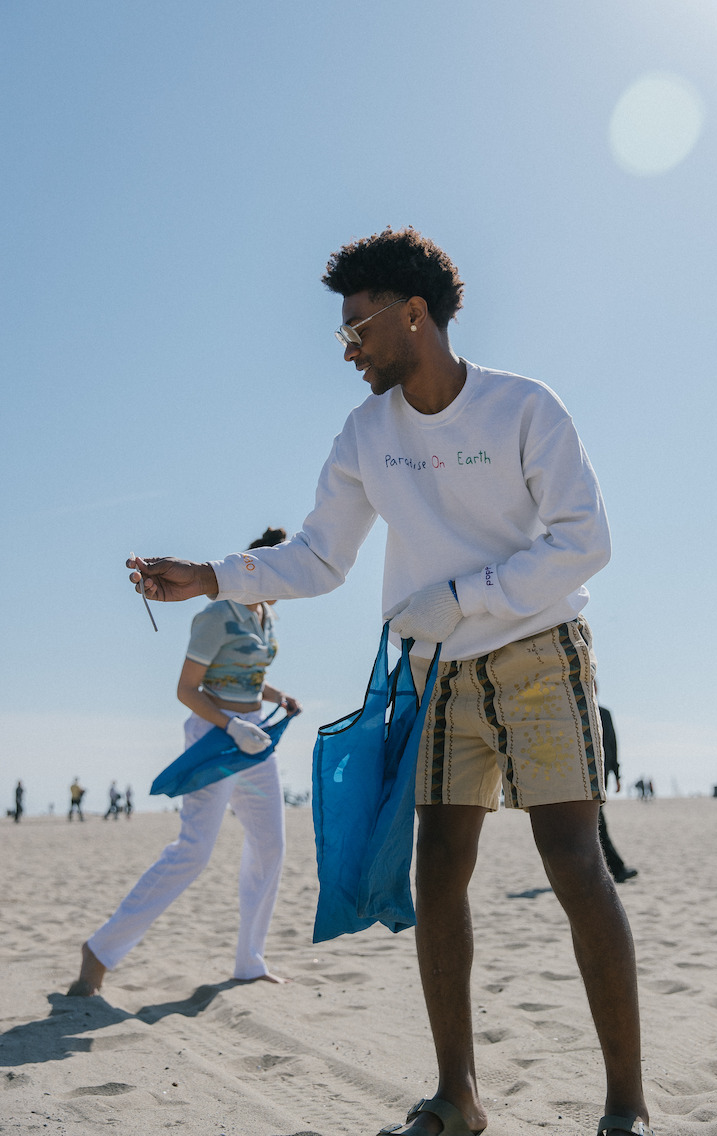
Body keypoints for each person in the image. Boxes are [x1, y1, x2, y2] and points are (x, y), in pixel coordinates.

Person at [127, 230, 651, 1136]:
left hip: (539, 652)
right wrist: (213, 577)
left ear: (416, 314)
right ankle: (459, 1096)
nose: (349, 348)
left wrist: (467, 598)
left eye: (357, 326)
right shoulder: (367, 433)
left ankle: (626, 1107)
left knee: (573, 862)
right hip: (434, 674)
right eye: (343, 334)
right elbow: (320, 556)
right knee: (438, 872)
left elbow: (583, 541)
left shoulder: (523, 407)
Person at [68, 527, 301, 998]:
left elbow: (243, 674)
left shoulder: (267, 613)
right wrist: (233, 726)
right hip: (214, 737)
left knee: (271, 846)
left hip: (255, 741)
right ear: (255, 568)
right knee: (194, 851)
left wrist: (276, 696)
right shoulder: (217, 613)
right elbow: (187, 690)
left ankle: (249, 961)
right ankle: (98, 953)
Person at [596, 696, 638, 885]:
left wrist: (617, 775)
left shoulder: (604, 713)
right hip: (582, 778)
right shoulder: (572, 713)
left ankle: (613, 869)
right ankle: (617, 869)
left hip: (600, 777)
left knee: (596, 824)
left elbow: (612, 746)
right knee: (597, 825)